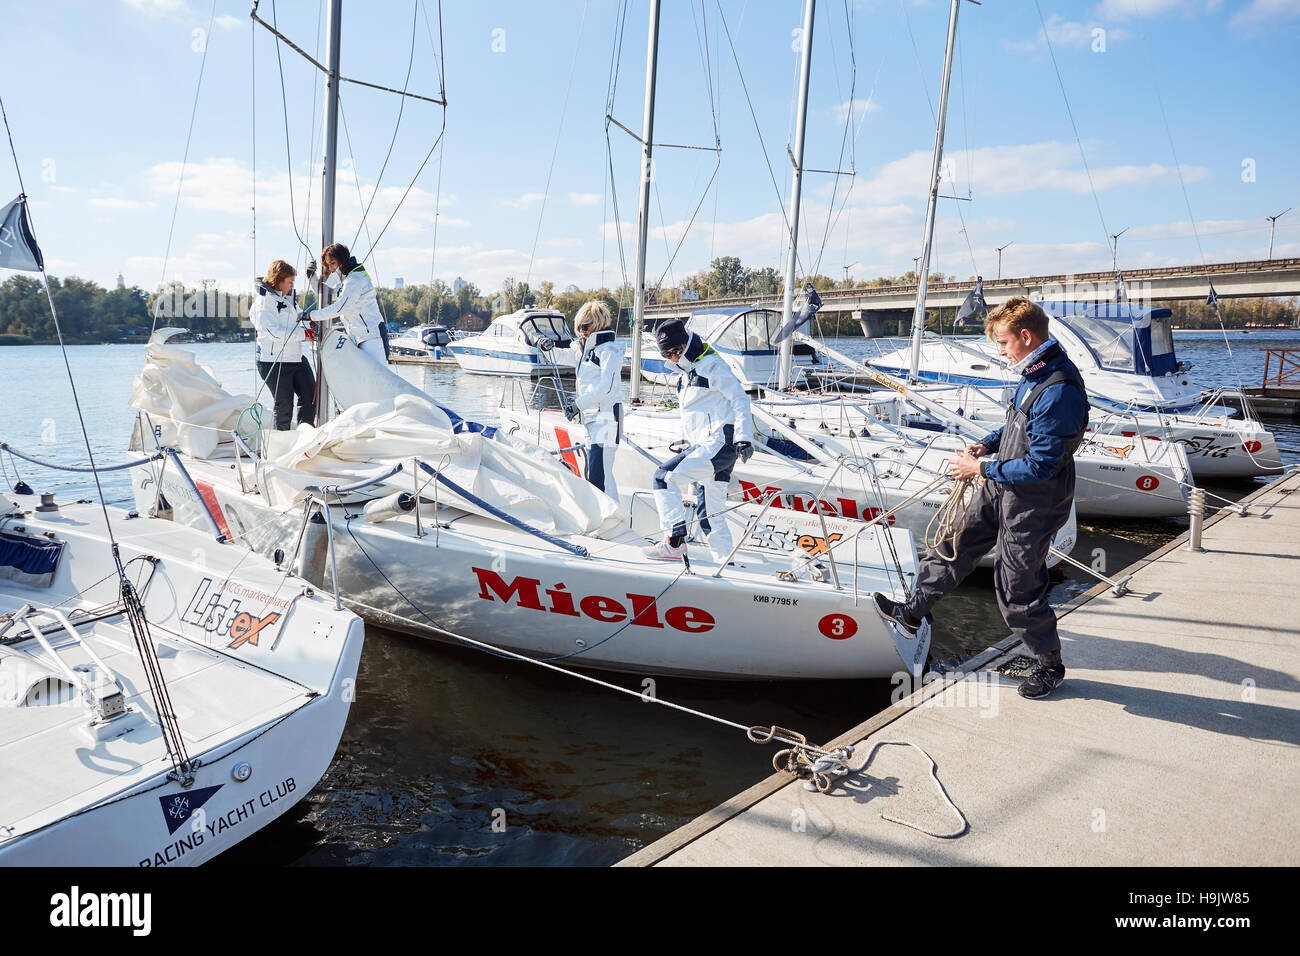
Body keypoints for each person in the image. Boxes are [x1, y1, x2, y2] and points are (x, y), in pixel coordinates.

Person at [873, 296, 1089, 699]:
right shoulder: (1035, 370)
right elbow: (1016, 427)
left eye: (1004, 343)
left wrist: (980, 470)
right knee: (957, 542)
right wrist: (987, 447)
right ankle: (913, 613)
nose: (1000, 351)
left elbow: (1042, 466)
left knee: (1016, 587)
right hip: (1002, 482)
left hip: (1034, 501)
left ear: (1026, 337)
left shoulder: (1059, 389)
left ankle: (1049, 664)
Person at [643, 318, 754, 564]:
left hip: (719, 443)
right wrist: (686, 443)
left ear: (687, 343)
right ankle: (725, 561)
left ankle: (674, 542)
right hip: (707, 446)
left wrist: (744, 438)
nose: (674, 357)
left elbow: (740, 400)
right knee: (710, 514)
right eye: (668, 354)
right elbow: (698, 413)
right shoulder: (684, 375)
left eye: (677, 351)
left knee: (663, 478)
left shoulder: (711, 365)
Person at [536, 300, 624, 501]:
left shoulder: (608, 350)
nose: (581, 331)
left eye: (585, 327)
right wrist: (545, 347)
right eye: (579, 327)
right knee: (595, 473)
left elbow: (607, 388)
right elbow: (560, 356)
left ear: (598, 324)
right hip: (593, 419)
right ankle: (606, 518)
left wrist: (578, 405)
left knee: (600, 476)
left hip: (607, 417)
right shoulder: (584, 350)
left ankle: (609, 522)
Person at [249, 259, 316, 430]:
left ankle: (305, 435)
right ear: (278, 281)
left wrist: (312, 324)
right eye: (290, 282)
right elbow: (271, 332)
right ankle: (281, 445)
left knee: (311, 395)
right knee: (284, 406)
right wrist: (304, 334)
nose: (292, 286)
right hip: (273, 362)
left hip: (295, 358)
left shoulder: (288, 299)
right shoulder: (263, 303)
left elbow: (300, 317)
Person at [303, 242, 388, 364]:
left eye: (333, 263)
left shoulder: (355, 279)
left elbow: (339, 308)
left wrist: (311, 315)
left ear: (342, 260)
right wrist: (311, 276)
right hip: (359, 338)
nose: (331, 268)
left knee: (379, 379)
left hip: (372, 337)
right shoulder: (346, 281)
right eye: (328, 264)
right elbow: (326, 294)